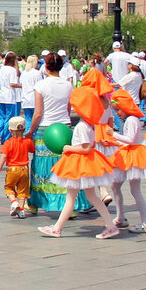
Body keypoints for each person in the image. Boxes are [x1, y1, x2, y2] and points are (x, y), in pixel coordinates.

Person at [37, 86, 118, 238]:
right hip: (84, 163)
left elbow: (86, 149)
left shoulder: (82, 126)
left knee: (73, 197)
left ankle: (57, 228)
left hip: (79, 163)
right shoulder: (88, 124)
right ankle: (110, 225)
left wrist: (68, 148)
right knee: (88, 196)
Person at [25, 53, 90, 216]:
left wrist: (30, 131)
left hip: (45, 129)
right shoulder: (68, 86)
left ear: (46, 67)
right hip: (64, 127)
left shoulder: (40, 86)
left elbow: (38, 113)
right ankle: (68, 205)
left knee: (41, 168)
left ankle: (36, 202)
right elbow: (68, 109)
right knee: (65, 167)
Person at [108, 89, 146, 233]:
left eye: (118, 110)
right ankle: (121, 217)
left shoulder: (131, 120)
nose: (117, 113)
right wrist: (114, 141)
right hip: (129, 153)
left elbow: (131, 140)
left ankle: (145, 223)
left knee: (134, 190)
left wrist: (113, 134)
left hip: (132, 155)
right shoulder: (130, 119)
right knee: (116, 186)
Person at [0, 117, 35, 217]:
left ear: (10, 130)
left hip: (12, 169)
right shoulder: (27, 141)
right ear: (24, 129)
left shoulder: (8, 143)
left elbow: (4, 156)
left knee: (9, 187)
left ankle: (14, 202)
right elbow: (32, 150)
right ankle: (21, 210)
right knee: (22, 190)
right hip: (24, 169)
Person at [0, 52, 21, 143]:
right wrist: (22, 86)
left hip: (1, 96)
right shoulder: (12, 70)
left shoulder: (1, 68)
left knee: (1, 117)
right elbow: (12, 83)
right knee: (9, 118)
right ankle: (6, 138)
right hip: (9, 97)